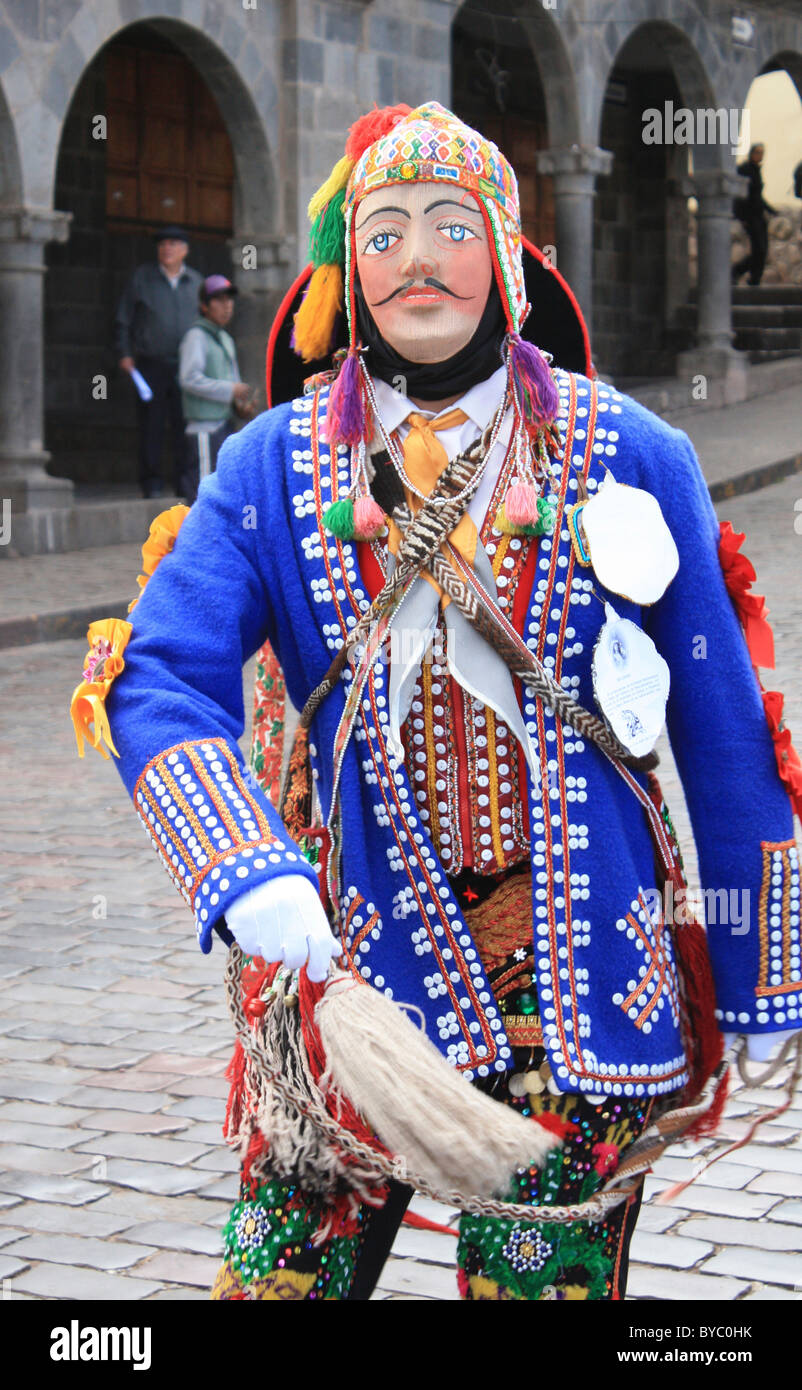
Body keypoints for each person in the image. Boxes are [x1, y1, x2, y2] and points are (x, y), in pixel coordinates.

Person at [72, 102, 801, 1301]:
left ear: (508, 252)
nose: (418, 257)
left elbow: (721, 732)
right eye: (387, 229)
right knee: (276, 1287)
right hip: (347, 981)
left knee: (540, 1291)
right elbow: (159, 674)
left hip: (581, 982)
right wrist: (240, 860)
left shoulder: (632, 454)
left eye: (453, 226)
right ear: (349, 267)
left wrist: (761, 961)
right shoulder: (268, 463)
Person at [115, 226, 202, 498]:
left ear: (185, 250)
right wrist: (124, 353)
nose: (167, 249)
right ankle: (151, 483)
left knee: (184, 424)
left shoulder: (196, 282)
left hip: (186, 367)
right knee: (151, 425)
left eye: (174, 244)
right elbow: (123, 319)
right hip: (151, 364)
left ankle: (184, 484)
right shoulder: (143, 278)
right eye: (163, 244)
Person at [178, 275, 256, 504]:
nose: (227, 306)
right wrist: (229, 390)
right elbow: (189, 378)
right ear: (204, 306)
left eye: (229, 300)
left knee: (222, 490)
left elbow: (233, 382)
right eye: (219, 300)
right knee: (202, 494)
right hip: (203, 429)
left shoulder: (225, 338)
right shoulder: (196, 336)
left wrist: (240, 406)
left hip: (224, 426)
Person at [732, 143, 777, 286]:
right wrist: (741, 216)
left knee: (762, 250)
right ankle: (737, 271)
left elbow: (758, 196)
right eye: (757, 152)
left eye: (762, 152)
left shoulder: (756, 171)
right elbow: (739, 196)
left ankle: (755, 278)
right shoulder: (744, 169)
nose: (760, 155)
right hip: (750, 216)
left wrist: (771, 210)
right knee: (759, 248)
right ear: (751, 153)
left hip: (758, 215)